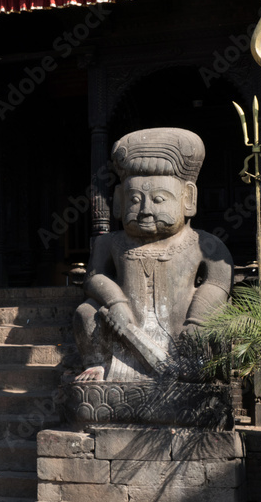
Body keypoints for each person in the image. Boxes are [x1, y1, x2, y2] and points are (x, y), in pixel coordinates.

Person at [73, 128, 233, 383]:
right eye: (134, 200)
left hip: (183, 328)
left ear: (188, 198)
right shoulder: (109, 242)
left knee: (217, 322)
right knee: (85, 312)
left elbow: (217, 282)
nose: (145, 210)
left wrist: (198, 320)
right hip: (122, 326)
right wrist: (116, 303)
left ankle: (199, 372)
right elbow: (94, 277)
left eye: (159, 199)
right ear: (118, 201)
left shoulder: (204, 243)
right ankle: (97, 363)